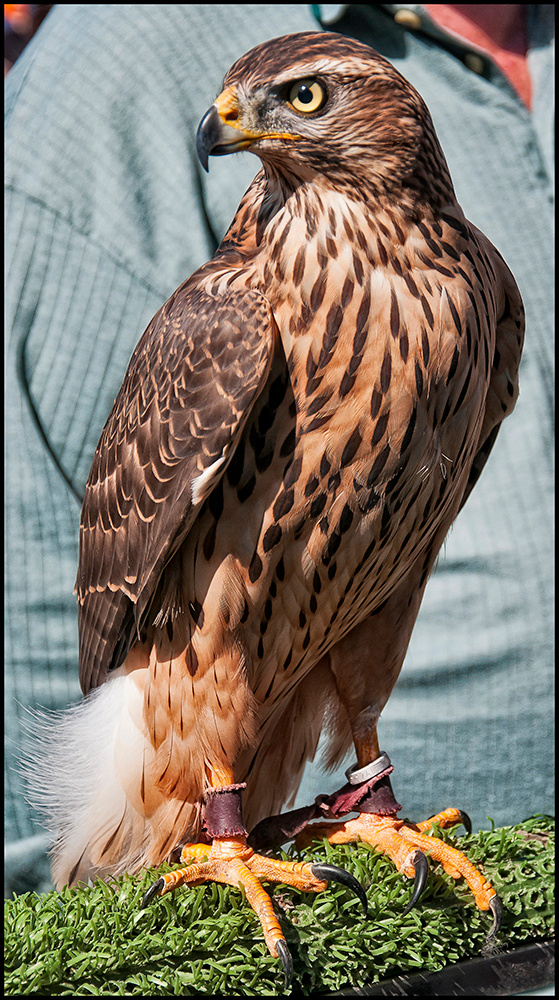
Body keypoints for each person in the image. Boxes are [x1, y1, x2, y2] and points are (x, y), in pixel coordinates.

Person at [5, 4, 554, 898]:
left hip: (320, 715)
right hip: (172, 729)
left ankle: (367, 795)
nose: (232, 122)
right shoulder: (233, 311)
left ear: (395, 122)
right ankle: (224, 830)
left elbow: (389, 570)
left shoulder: (481, 292)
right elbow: (120, 615)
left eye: (303, 99)